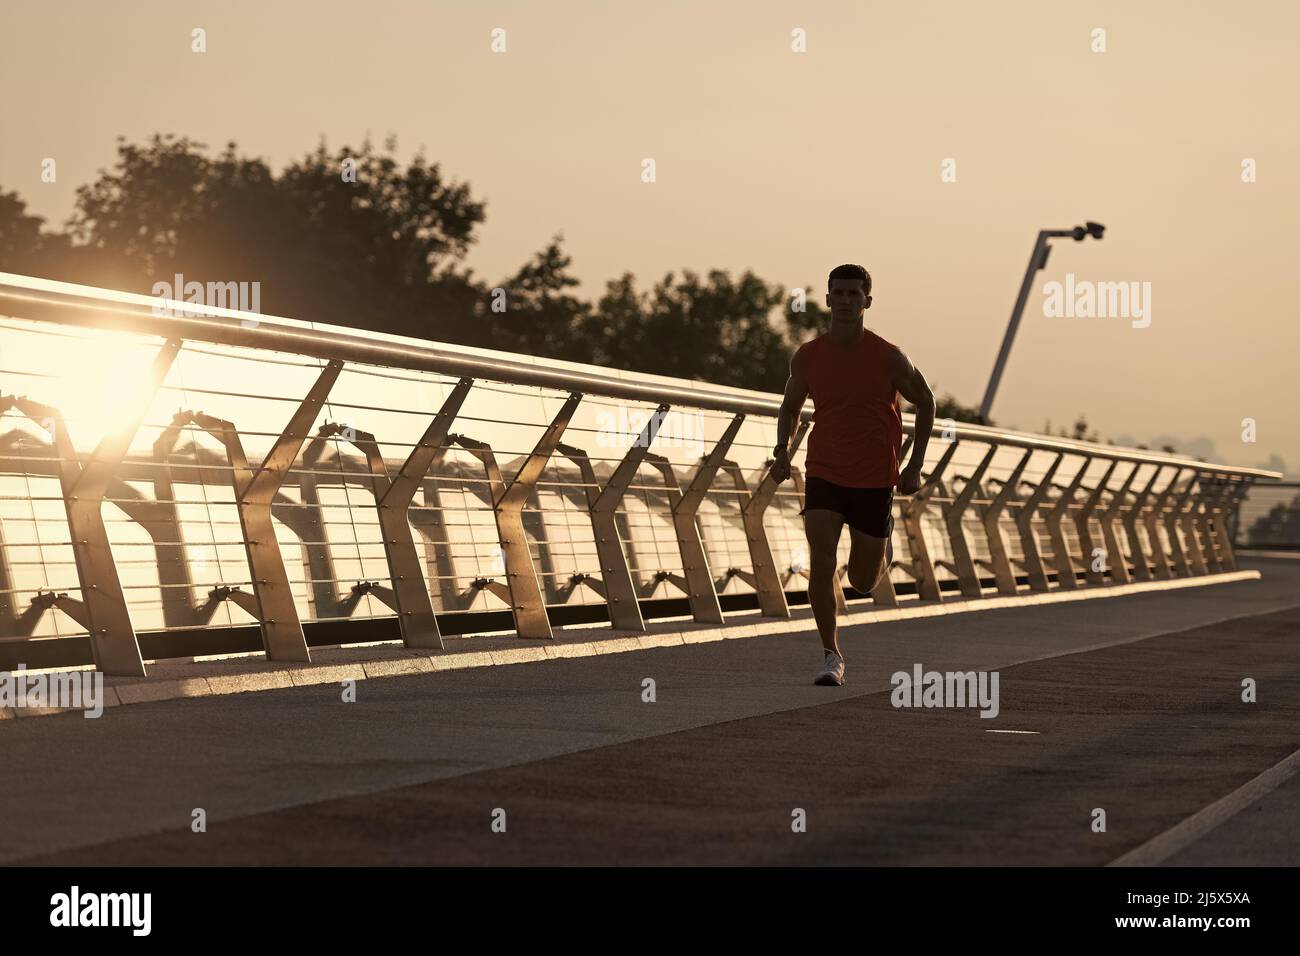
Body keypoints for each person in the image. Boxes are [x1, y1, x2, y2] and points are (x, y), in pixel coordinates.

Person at [769, 263, 936, 685]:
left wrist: (913, 465)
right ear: (827, 299)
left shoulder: (889, 356)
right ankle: (831, 655)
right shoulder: (808, 356)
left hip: (875, 477)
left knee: (862, 581)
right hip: (824, 470)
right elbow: (790, 406)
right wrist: (782, 450)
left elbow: (927, 402)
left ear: (867, 302)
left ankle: (883, 547)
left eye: (853, 295)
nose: (845, 301)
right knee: (821, 560)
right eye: (838, 294)